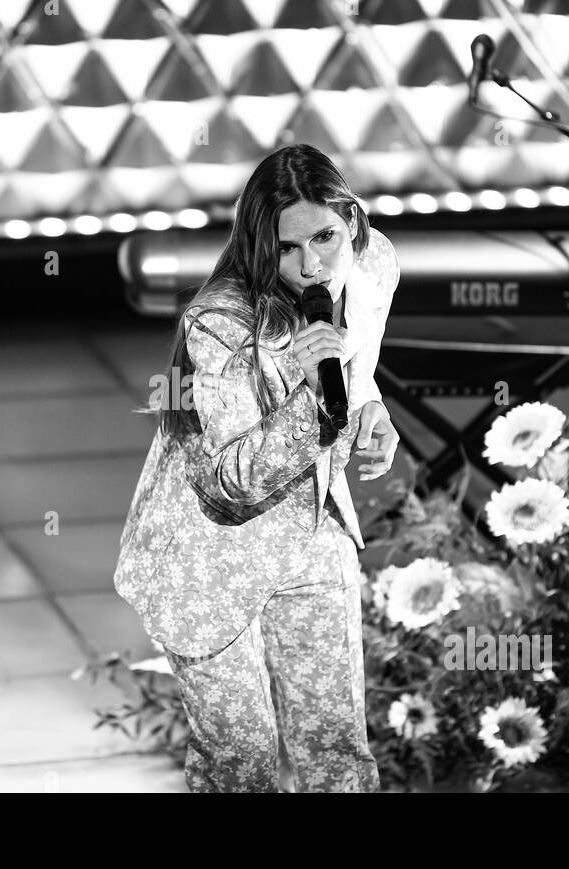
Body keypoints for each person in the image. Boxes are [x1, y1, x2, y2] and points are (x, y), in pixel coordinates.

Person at [115, 143, 401, 793]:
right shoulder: (222, 321)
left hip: (310, 530)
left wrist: (371, 411)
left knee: (336, 755)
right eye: (287, 249)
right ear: (257, 246)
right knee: (241, 763)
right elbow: (229, 485)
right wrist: (311, 403)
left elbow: (353, 372)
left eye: (327, 237)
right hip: (209, 557)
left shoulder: (374, 264)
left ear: (352, 221)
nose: (313, 266)